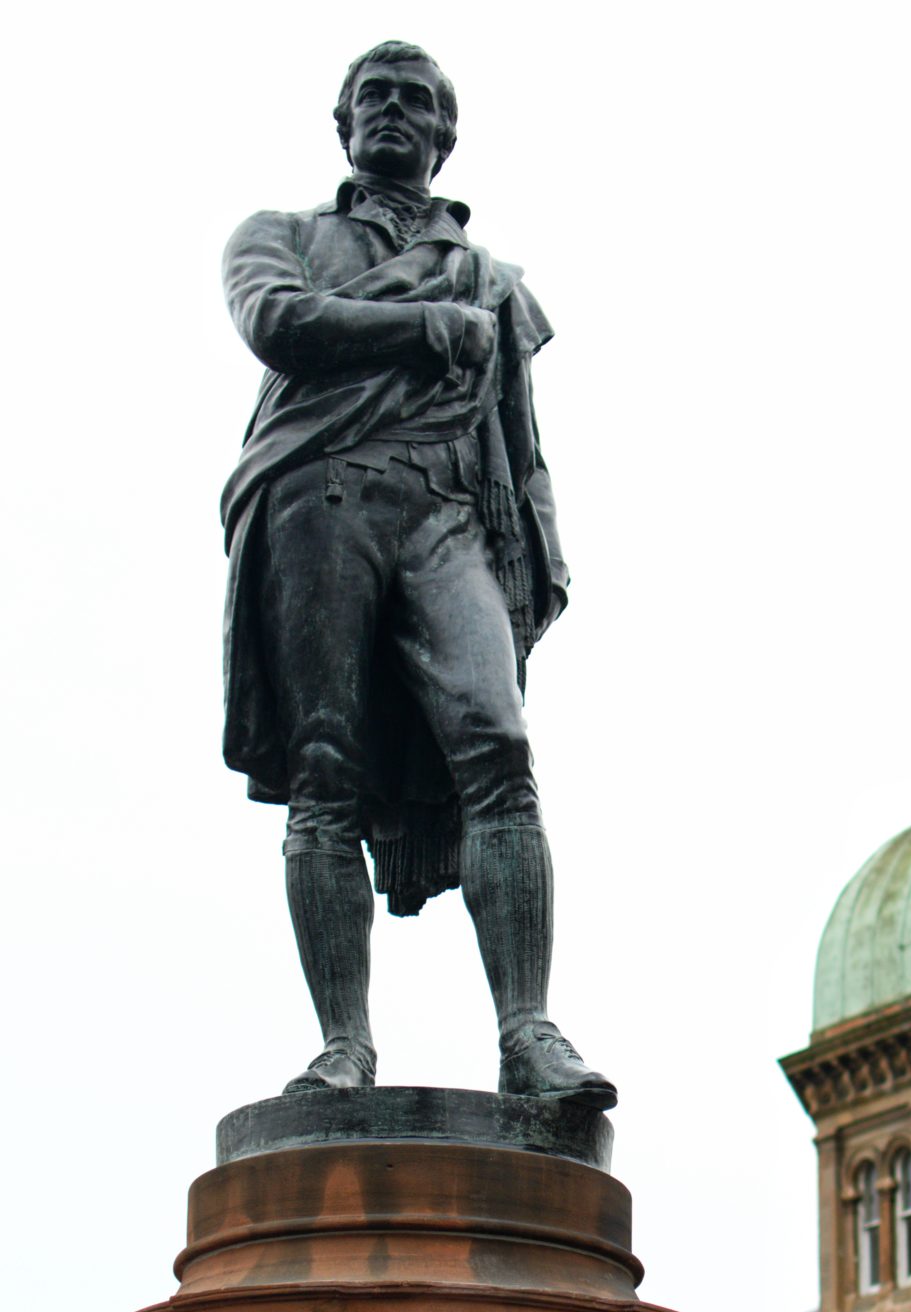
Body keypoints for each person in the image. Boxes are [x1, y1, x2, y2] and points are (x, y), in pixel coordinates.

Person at [221, 41, 614, 1106]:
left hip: (448, 514)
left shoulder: (493, 279)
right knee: (324, 769)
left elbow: (521, 443)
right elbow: (278, 323)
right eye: (373, 98)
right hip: (322, 497)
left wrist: (540, 558)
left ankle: (527, 1031)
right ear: (342, 124)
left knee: (500, 744)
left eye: (417, 103)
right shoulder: (282, 236)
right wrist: (423, 327)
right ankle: (343, 1042)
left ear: (445, 137)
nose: (393, 113)